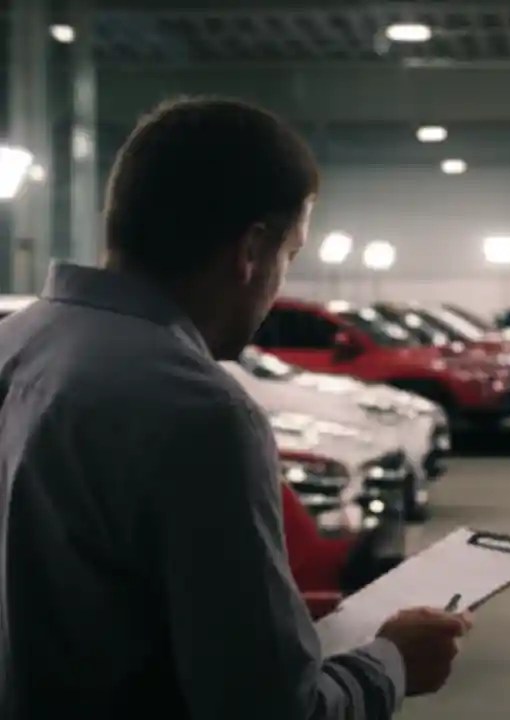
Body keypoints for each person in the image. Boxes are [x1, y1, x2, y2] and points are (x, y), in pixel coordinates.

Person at [0, 98, 471, 719]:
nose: (282, 284)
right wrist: (390, 662)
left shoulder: (17, 344)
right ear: (251, 251)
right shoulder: (200, 409)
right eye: (291, 254)